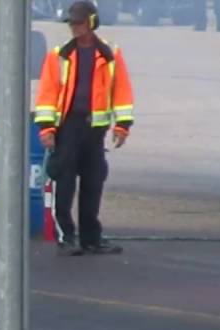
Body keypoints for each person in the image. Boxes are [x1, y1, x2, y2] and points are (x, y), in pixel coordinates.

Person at [33, 0, 135, 256]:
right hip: (67, 129)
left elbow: (122, 91)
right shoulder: (58, 56)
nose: (74, 28)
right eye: (72, 23)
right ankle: (66, 237)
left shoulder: (110, 54)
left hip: (95, 131)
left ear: (91, 22)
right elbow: (47, 94)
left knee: (93, 183)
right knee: (64, 184)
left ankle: (91, 238)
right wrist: (47, 129)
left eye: (79, 23)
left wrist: (122, 125)